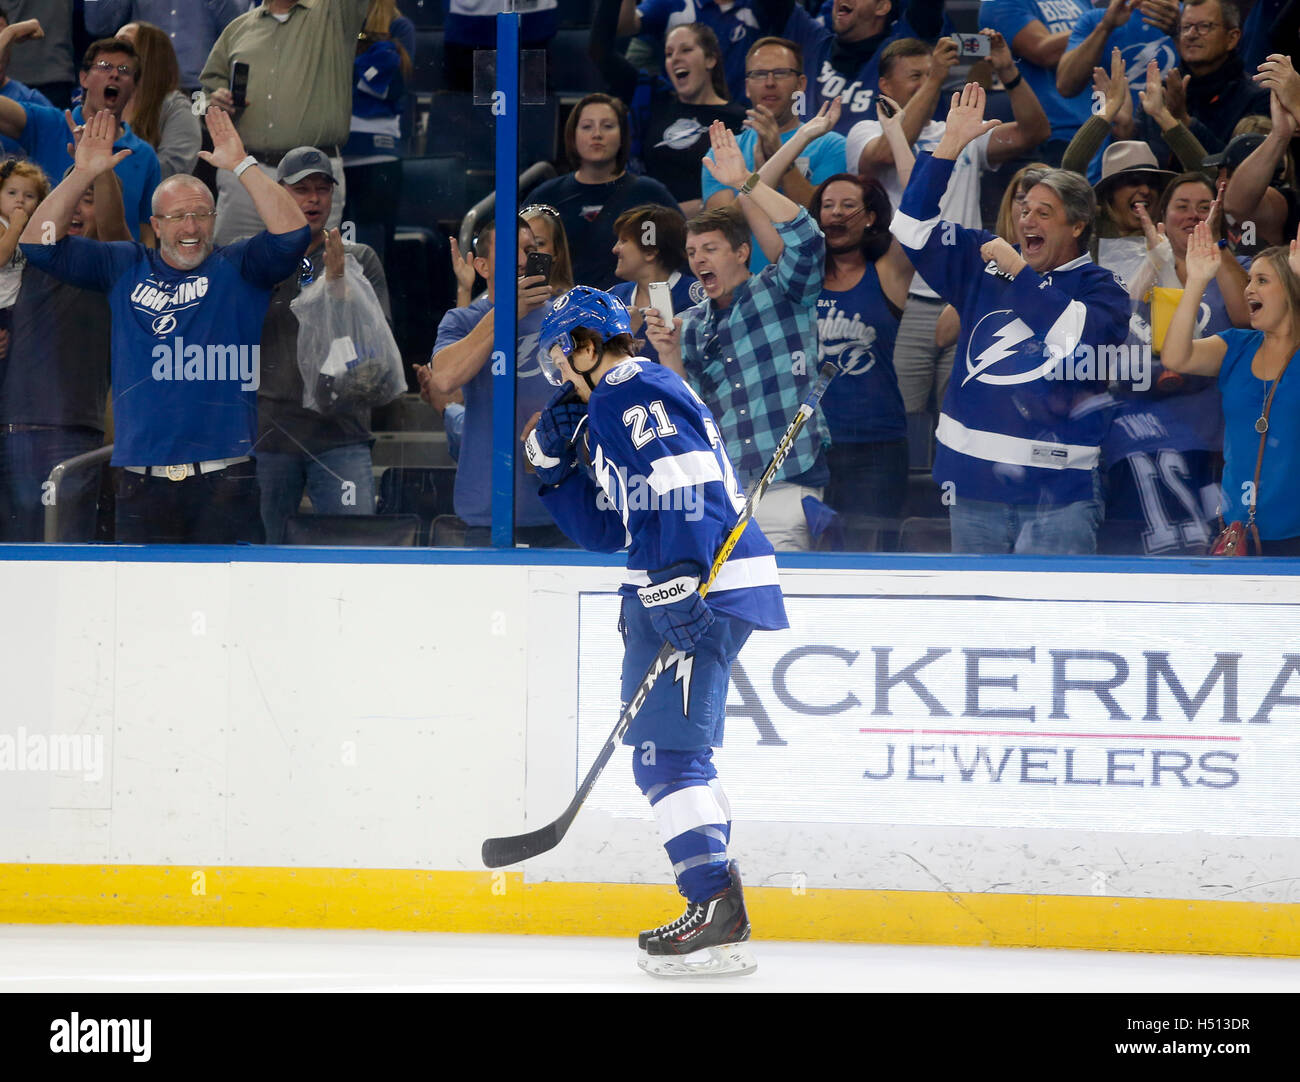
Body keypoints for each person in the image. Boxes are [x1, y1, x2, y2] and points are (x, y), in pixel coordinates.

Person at [523, 285, 788, 976]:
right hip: (682, 578)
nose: (558, 377)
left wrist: (674, 579)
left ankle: (715, 909)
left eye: (560, 359)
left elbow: (685, 479)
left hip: (700, 581)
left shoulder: (624, 384)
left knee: (666, 760)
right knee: (670, 756)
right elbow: (611, 529)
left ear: (585, 344)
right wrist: (554, 475)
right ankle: (718, 904)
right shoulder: (611, 402)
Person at [19, 107, 310, 544]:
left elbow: (292, 234)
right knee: (142, 610)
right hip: (140, 482)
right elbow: (37, 245)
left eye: (201, 215)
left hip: (224, 480)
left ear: (215, 220)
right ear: (155, 225)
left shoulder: (240, 265)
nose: (190, 227)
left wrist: (241, 165)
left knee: (227, 610)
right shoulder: (124, 263)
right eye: (176, 217)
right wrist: (82, 173)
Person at [890, 82, 1130, 554]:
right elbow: (910, 229)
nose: (1027, 222)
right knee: (977, 621)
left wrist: (1019, 271)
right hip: (971, 484)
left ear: (1077, 225)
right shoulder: (984, 260)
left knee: (1052, 624)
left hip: (1059, 494)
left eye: (1044, 213)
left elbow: (1072, 337)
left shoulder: (1103, 289)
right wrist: (948, 149)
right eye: (1024, 211)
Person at [648, 115, 831, 551]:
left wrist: (747, 182)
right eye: (692, 252)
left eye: (710, 249)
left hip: (790, 484)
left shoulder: (782, 289)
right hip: (726, 494)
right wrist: (669, 355)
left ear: (741, 252)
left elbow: (808, 241)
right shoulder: (688, 324)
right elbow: (687, 417)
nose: (698, 260)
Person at [848, 30, 1049, 418]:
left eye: (931, 73)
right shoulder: (866, 132)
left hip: (965, 297)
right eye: (916, 76)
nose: (928, 82)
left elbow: (1034, 132)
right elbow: (888, 152)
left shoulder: (960, 134)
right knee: (898, 417)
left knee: (964, 413)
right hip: (900, 299)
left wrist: (1008, 71)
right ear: (885, 85)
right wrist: (939, 77)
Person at [255, 147, 393, 544]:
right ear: (279, 193)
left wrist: (342, 292)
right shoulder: (258, 259)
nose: (314, 199)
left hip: (341, 433)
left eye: (322, 189)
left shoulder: (359, 259)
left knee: (354, 556)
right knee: (264, 558)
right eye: (301, 190)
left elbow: (379, 348)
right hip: (271, 437)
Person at [0, 162, 129, 541]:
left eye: (85, 200)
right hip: (7, 435)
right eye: (65, 199)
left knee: (66, 564)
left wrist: (98, 166)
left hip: (71, 437)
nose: (74, 210)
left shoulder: (108, 267)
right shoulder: (20, 260)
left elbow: (112, 228)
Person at [418, 216, 566, 546]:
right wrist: (505, 314)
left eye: (531, 249)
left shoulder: (565, 318)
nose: (524, 260)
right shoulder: (462, 320)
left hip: (563, 506)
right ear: (482, 266)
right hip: (488, 509)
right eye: (512, 249)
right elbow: (444, 379)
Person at [1160, 221, 1300, 554]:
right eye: (1250, 280)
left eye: (1263, 281)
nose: (1249, 289)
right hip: (1237, 532)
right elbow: (1176, 356)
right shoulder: (1236, 345)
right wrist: (1196, 281)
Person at [200, 0, 370, 244]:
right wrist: (214, 103)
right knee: (234, 269)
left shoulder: (335, 13)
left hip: (313, 174)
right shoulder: (236, 29)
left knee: (312, 275)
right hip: (246, 172)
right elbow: (203, 95)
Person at [812, 170, 914, 550]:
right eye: (827, 206)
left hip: (877, 444)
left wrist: (896, 137)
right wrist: (803, 137)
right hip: (810, 445)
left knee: (868, 555)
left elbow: (920, 212)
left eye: (848, 206)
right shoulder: (802, 276)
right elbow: (749, 201)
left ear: (870, 216)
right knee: (807, 555)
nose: (836, 214)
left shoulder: (887, 272)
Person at [701, 37, 846, 272]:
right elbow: (724, 227)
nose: (769, 82)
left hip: (809, 281)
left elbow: (823, 218)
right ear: (747, 86)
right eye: (759, 74)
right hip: (746, 288)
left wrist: (778, 157)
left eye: (780, 73)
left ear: (800, 83)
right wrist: (761, 173)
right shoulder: (723, 151)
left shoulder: (831, 144)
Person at [0, 30, 161, 242]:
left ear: (134, 87)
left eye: (124, 70)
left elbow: (147, 233)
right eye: (104, 67)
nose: (114, 74)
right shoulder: (46, 123)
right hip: (44, 265)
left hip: (112, 270)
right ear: (83, 78)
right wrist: (9, 34)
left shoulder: (144, 155)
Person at [590, 0, 745, 216]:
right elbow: (600, 51)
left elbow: (746, 192)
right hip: (650, 232)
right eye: (669, 53)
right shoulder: (652, 98)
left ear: (710, 59)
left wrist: (700, 208)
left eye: (686, 50)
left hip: (710, 234)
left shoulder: (739, 120)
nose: (675, 58)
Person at [525, 93, 679, 291]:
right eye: (587, 126)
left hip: (631, 313)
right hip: (560, 311)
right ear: (572, 136)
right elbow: (519, 257)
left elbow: (679, 254)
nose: (597, 134)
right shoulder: (545, 197)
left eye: (607, 126)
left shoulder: (650, 194)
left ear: (623, 136)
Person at [772, 0, 946, 137]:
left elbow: (926, 8)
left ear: (882, 6)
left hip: (875, 175)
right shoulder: (811, 42)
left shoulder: (903, 51)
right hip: (805, 170)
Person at [978, 0, 1094, 165]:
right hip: (1059, 136)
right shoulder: (998, 3)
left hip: (1102, 127)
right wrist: (1102, 24)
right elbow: (1044, 52)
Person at [609, 202, 701, 368]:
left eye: (623, 241)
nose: (615, 249)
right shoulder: (613, 298)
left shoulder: (695, 299)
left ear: (650, 252)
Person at [84, 0, 246, 93]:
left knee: (202, 147)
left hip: (200, 90)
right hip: (143, 87)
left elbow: (240, 33)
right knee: (138, 148)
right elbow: (97, 24)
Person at [1178, 0, 1269, 151]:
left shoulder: (1257, 100)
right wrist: (1127, 126)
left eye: (1204, 26)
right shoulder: (1165, 91)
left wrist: (1184, 121)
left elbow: (1238, 168)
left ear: (1232, 38)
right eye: (1185, 27)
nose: (1191, 34)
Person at [115, 21, 201, 179]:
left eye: (122, 43)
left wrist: (113, 170)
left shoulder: (177, 109)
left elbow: (172, 171)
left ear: (148, 56)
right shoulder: (104, 102)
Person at [344, 0, 415, 162]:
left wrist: (356, 71)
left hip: (379, 137)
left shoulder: (400, 27)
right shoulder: (338, 23)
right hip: (338, 136)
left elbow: (396, 89)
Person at [0, 2, 73, 108]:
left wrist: (9, 33)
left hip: (53, 77)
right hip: (52, 72)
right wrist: (10, 32)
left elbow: (96, 23)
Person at [0, 157, 43, 318]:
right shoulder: (3, 224)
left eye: (29, 196)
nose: (20, 200)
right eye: (11, 193)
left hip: (15, 308)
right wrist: (15, 226)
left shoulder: (30, 230)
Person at [521, 202, 575, 295]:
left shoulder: (571, 304)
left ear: (557, 251)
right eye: (518, 243)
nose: (528, 251)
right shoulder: (494, 299)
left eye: (538, 243)